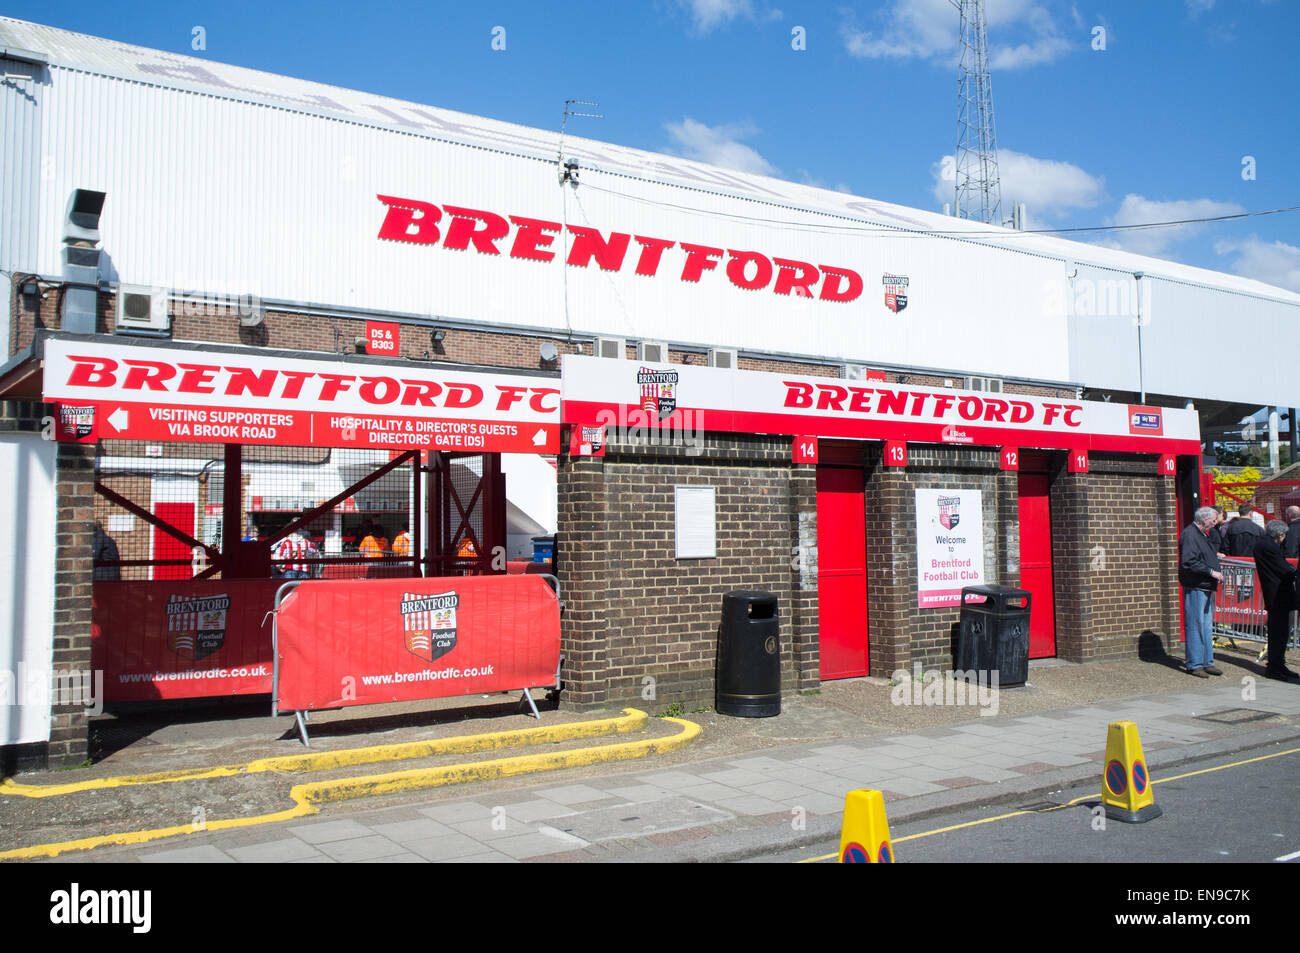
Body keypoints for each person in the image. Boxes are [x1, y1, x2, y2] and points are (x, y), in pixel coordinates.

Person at [1179, 506, 1224, 678]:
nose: (1214, 523)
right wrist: (1211, 572)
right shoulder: (1191, 534)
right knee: (1196, 625)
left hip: (1203, 585)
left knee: (1205, 625)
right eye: (1213, 520)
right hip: (1197, 584)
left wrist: (1214, 558)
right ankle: (1195, 663)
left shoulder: (1199, 534)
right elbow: (1189, 561)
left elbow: (1197, 557)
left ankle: (1206, 662)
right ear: (1204, 519)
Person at [1253, 520, 1300, 682]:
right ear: (1280, 535)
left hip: (1276, 593)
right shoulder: (1269, 547)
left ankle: (1278, 664)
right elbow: (1283, 568)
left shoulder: (1264, 545)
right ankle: (1275, 666)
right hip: (1277, 594)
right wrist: (1294, 572)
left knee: (1280, 632)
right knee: (1278, 633)